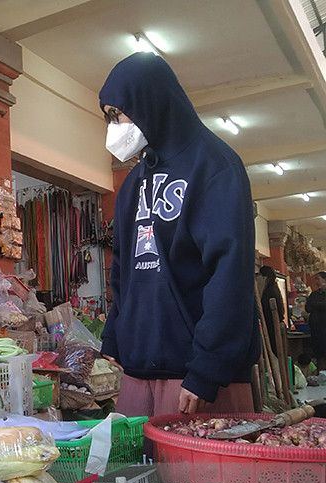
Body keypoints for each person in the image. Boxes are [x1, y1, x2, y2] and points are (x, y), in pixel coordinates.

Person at [98, 52, 259, 416]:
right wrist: (114, 336)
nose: (113, 126)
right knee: (147, 473)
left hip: (199, 379)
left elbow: (230, 273)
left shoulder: (216, 165)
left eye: (117, 114)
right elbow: (122, 269)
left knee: (207, 474)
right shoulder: (132, 184)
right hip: (138, 372)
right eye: (107, 116)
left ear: (149, 103)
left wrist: (207, 368)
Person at [258, 266, 285, 357]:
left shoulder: (270, 290)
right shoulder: (273, 287)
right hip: (274, 323)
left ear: (264, 277)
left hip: (271, 324)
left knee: (274, 350)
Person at [306, 272, 326, 370]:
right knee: (319, 353)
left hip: (324, 328)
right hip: (315, 329)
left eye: (318, 279)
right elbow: (307, 307)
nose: (316, 281)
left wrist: (316, 305)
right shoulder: (314, 294)